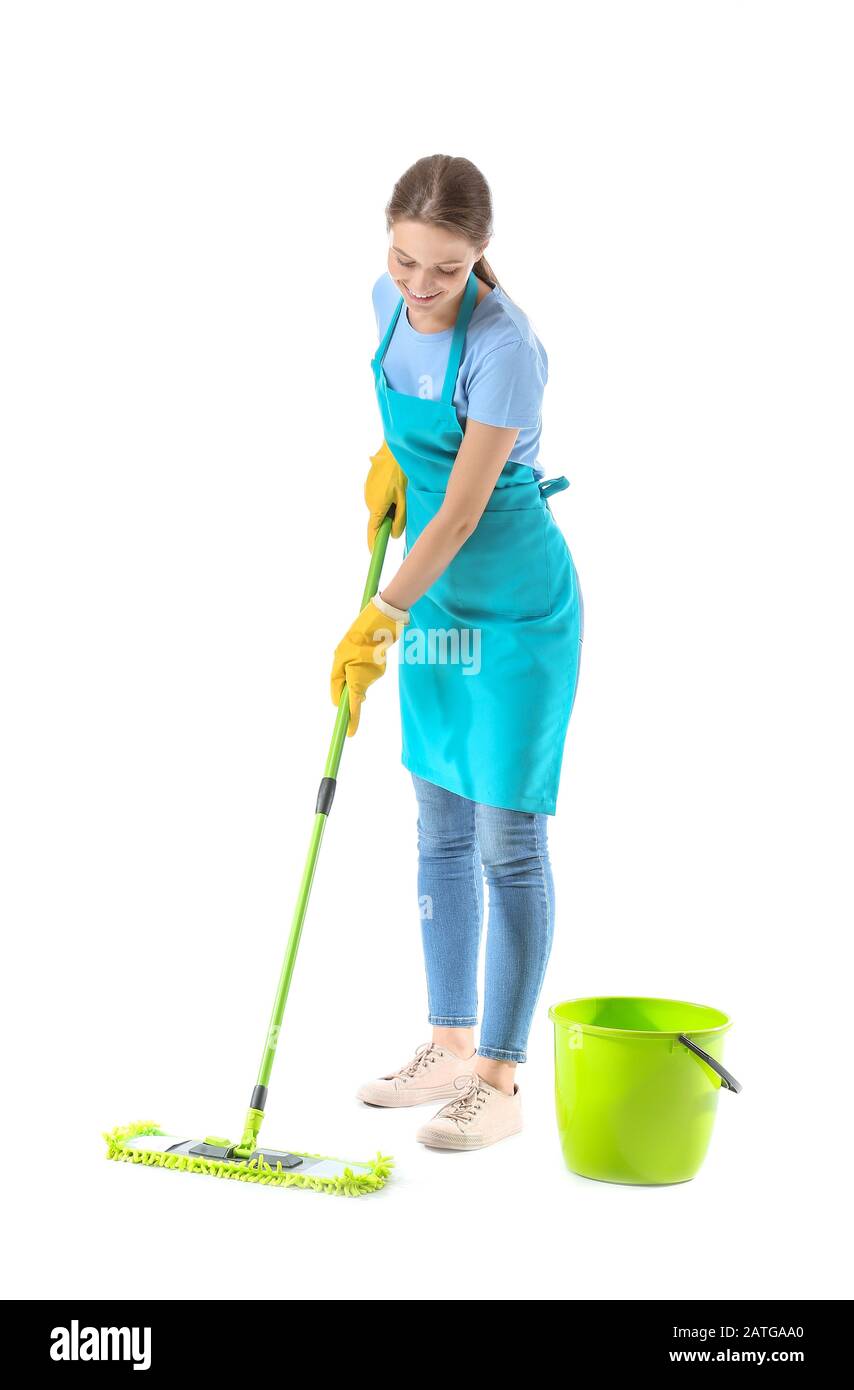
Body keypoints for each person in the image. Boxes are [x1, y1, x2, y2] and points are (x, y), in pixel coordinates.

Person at [330, 154, 583, 1152]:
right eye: (403, 262)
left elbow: (469, 506)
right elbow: (415, 430)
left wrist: (377, 617)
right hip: (432, 590)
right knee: (438, 819)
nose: (419, 286)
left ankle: (500, 1078)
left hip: (512, 608)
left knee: (503, 839)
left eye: (442, 268)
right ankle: (446, 1042)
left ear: (479, 255)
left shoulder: (504, 341)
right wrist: (390, 461)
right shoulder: (384, 302)